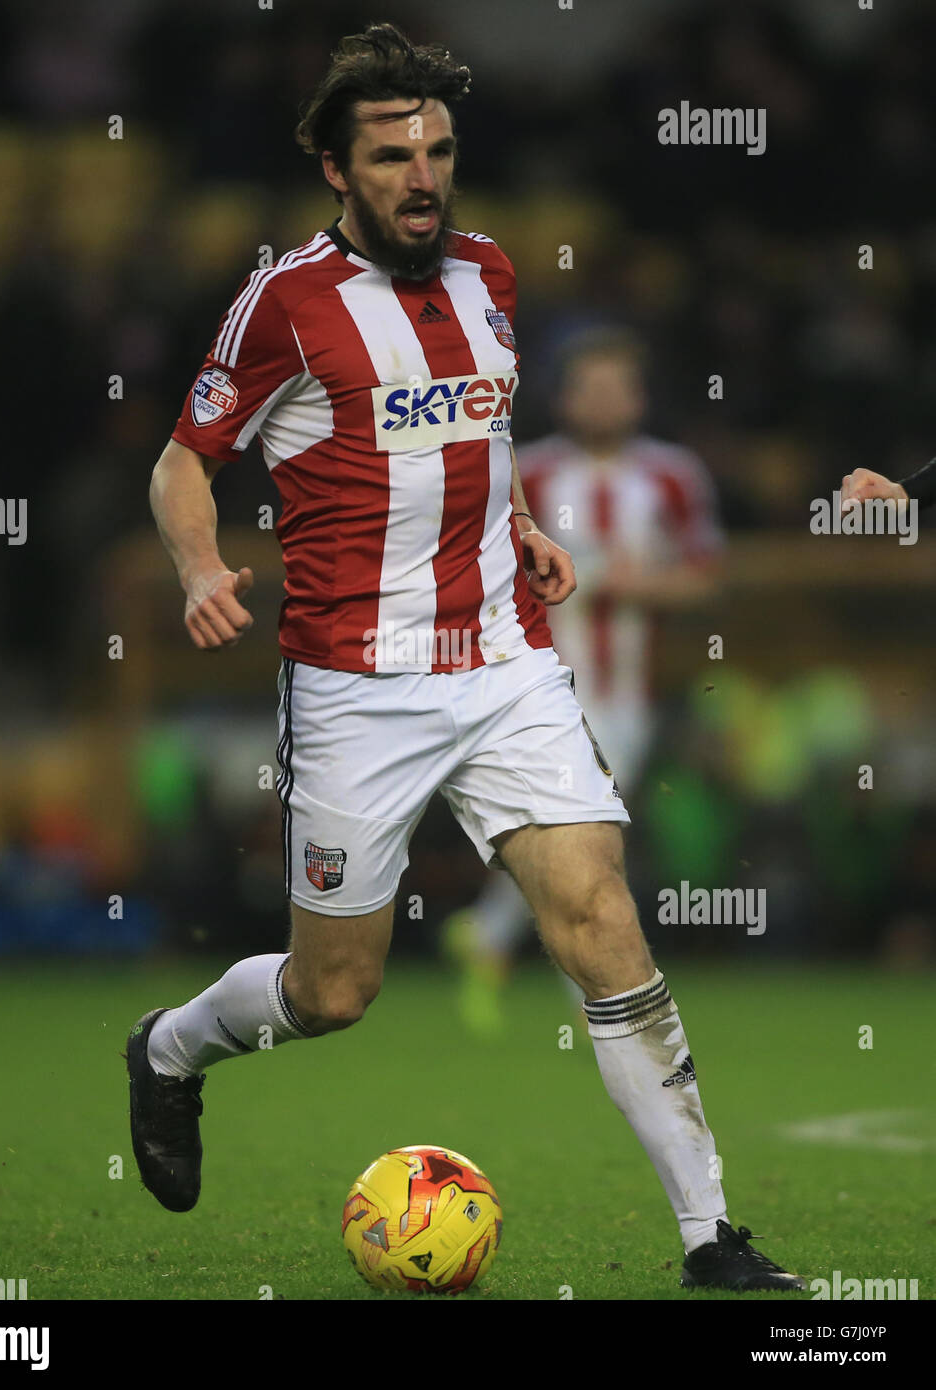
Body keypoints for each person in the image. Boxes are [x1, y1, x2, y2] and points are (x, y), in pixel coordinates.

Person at [127, 21, 803, 1292]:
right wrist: (201, 567)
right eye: (393, 155)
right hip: (355, 684)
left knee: (602, 919)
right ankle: (169, 1048)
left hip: (504, 660)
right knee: (334, 994)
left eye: (438, 149)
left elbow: (475, 448)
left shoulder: (491, 271)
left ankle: (713, 1238)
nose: (423, 175)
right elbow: (182, 462)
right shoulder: (283, 303)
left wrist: (529, 530)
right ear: (338, 168)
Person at [442, 328, 724, 1033]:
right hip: (531, 681)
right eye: (589, 386)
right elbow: (472, 568)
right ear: (564, 397)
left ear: (639, 397)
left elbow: (706, 578)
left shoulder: (672, 476)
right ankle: (593, 985)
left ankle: (488, 936)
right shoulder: (525, 471)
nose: (603, 400)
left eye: (617, 386)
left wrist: (637, 584)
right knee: (580, 825)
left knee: (568, 825)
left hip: (626, 690)